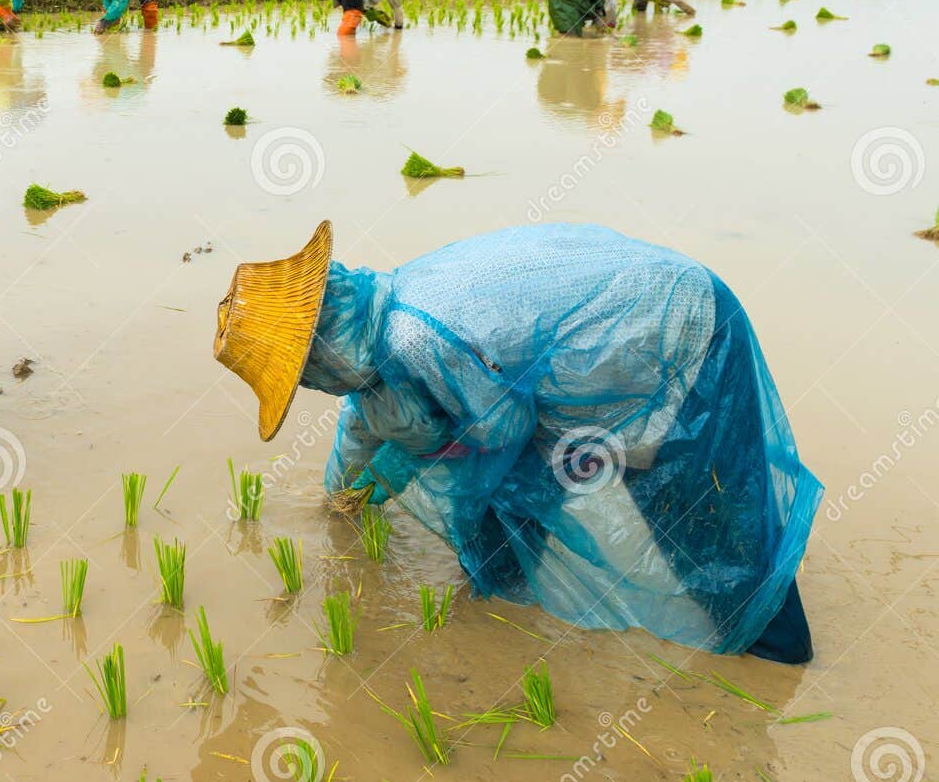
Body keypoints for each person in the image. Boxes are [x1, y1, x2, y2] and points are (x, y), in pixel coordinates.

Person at [212, 221, 819, 663]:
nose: (313, 383)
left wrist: (418, 467)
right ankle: (503, 602)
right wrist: (339, 501)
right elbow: (363, 420)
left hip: (674, 326)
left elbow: (501, 432)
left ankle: (776, 649)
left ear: (321, 339)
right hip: (604, 346)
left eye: (304, 369)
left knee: (700, 509)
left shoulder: (417, 338)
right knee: (523, 490)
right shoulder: (381, 317)